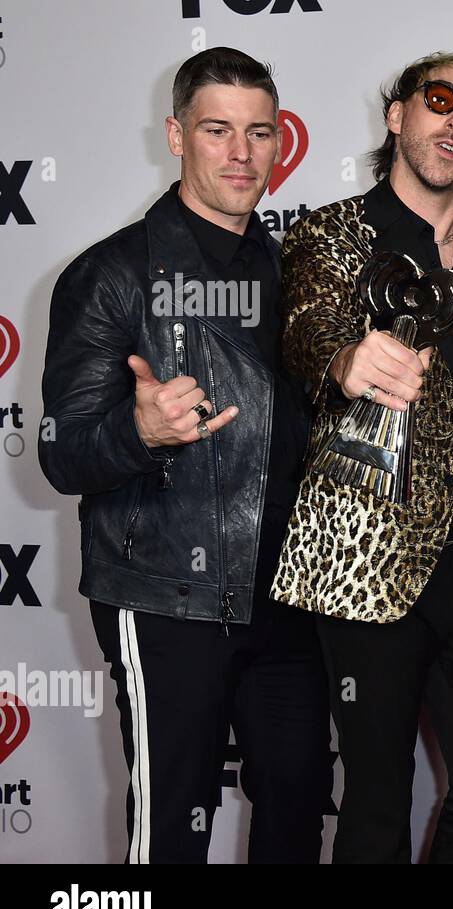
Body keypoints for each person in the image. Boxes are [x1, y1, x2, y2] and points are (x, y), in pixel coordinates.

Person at [39, 47, 331, 863]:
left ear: (279, 142)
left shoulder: (298, 273)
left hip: (289, 597)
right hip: (167, 596)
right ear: (177, 134)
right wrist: (141, 433)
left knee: (296, 816)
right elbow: (60, 453)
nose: (241, 153)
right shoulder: (112, 274)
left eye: (259, 133)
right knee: (172, 829)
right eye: (217, 130)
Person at [270, 52, 453, 864]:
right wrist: (347, 361)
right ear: (398, 115)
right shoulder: (331, 233)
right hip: (365, 552)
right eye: (442, 100)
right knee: (377, 801)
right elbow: (309, 325)